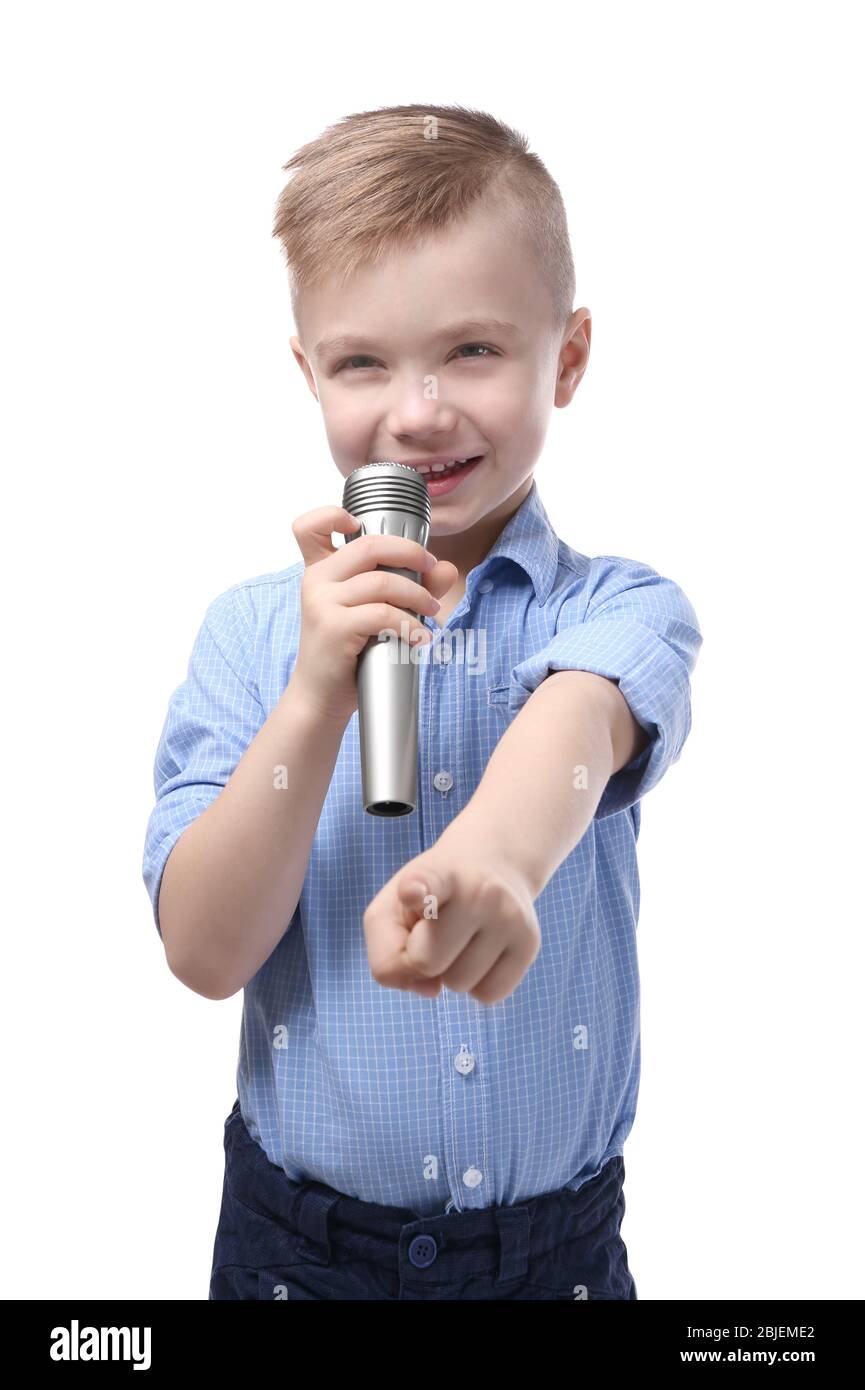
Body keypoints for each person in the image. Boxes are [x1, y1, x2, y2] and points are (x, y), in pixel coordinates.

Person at [142, 103, 703, 1300]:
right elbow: (203, 949)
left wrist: (492, 860)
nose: (417, 410)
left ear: (567, 357)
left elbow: (576, 725)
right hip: (301, 1256)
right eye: (363, 363)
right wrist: (315, 698)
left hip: (549, 1260)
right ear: (308, 372)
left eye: (472, 351)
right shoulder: (251, 635)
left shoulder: (619, 606)